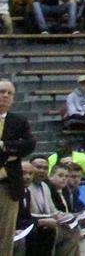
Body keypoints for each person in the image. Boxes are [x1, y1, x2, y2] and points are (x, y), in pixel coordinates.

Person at [1, 78, 37, 242]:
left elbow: (29, 144)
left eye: (10, 93)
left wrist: (4, 146)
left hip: (9, 184)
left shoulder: (19, 121)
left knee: (6, 234)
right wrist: (10, 154)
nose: (5, 96)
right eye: (2, 92)